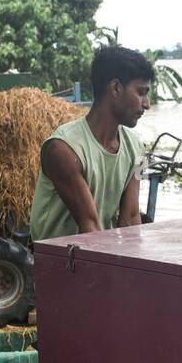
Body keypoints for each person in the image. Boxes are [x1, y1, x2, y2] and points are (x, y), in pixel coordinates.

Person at [31, 45, 151, 241]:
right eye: (141, 92)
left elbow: (130, 219)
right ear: (115, 88)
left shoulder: (137, 149)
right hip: (59, 260)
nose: (146, 104)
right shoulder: (64, 149)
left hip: (102, 251)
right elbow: (90, 225)